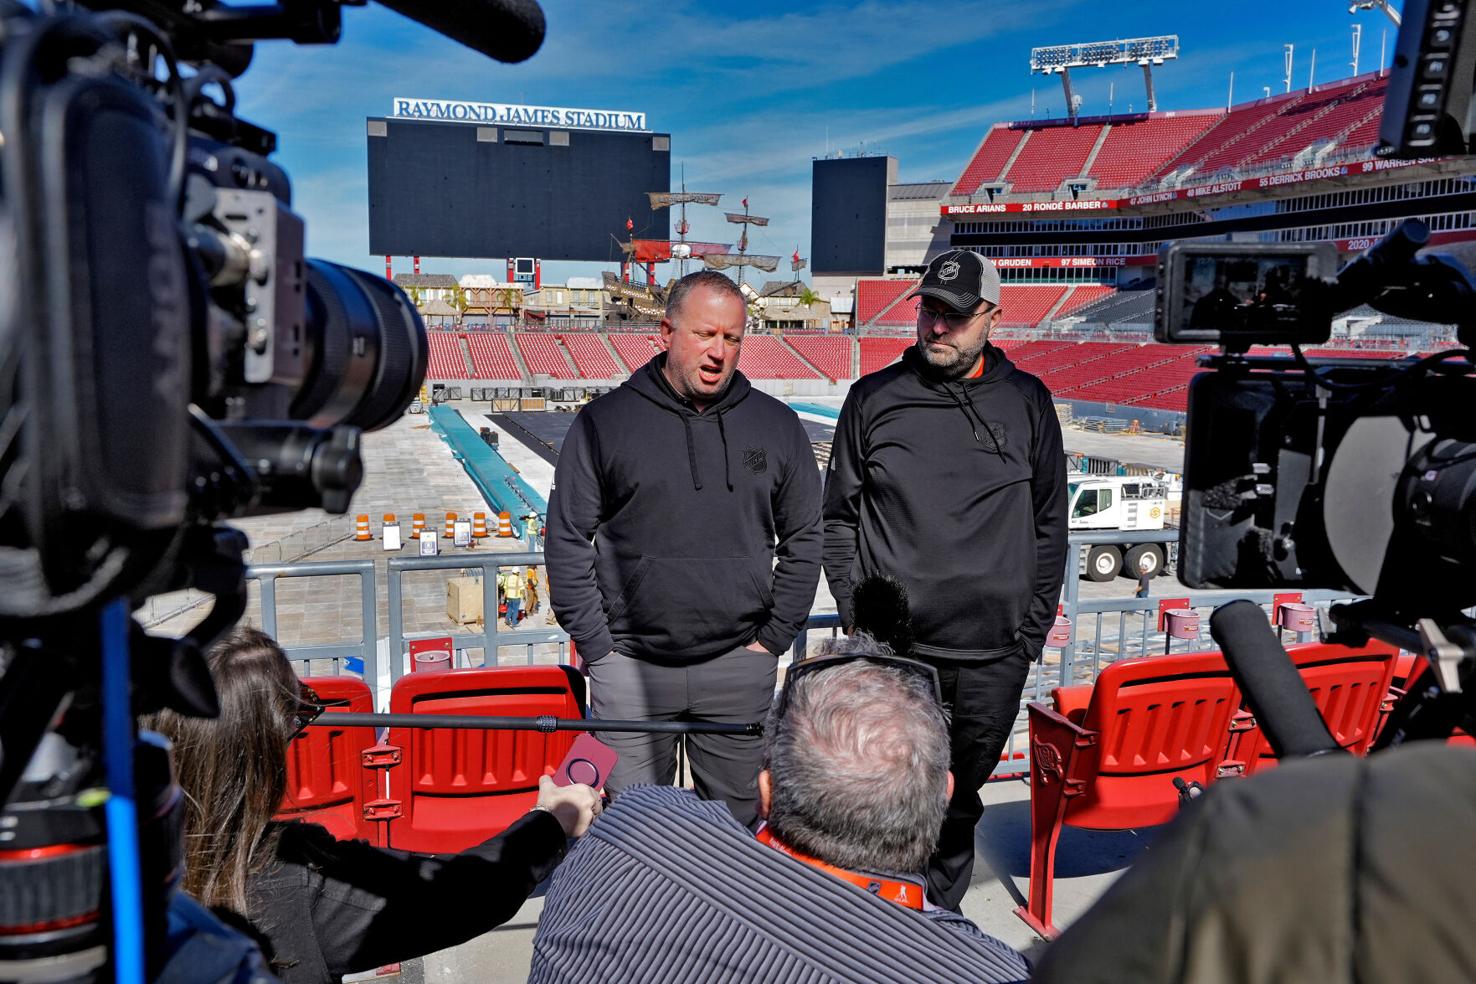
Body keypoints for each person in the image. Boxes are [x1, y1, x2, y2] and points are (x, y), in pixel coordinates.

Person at [528, 635, 1031, 984]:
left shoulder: (631, 829)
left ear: (764, 793)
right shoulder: (988, 970)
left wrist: (550, 826)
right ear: (942, 799)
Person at [145, 627, 601, 984]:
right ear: (260, 752)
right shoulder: (294, 877)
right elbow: (457, 898)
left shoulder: (107, 859)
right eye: (297, 720)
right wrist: (550, 824)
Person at [823, 248, 1068, 910]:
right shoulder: (872, 399)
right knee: (881, 805)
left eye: (955, 316)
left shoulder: (1027, 401)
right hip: (897, 660)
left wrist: (1030, 631)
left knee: (959, 809)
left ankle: (940, 930)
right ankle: (879, 932)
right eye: (930, 310)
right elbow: (838, 520)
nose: (937, 327)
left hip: (994, 659)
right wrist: (858, 618)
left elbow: (1051, 528)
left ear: (990, 316)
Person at [546, 269, 823, 826]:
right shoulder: (605, 423)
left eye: (733, 338)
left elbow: (805, 536)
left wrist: (773, 640)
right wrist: (598, 648)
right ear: (666, 332)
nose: (719, 351)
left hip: (738, 665)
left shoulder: (777, 425)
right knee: (632, 832)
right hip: (631, 667)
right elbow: (567, 538)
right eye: (705, 334)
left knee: (738, 832)